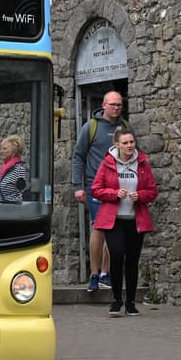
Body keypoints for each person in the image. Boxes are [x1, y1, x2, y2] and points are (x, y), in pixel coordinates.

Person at [91, 126, 157, 317]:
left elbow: (152, 191)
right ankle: (116, 300)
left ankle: (130, 303)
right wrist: (114, 193)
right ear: (117, 144)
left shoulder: (142, 163)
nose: (129, 146)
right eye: (125, 143)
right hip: (114, 220)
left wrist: (141, 195)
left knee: (132, 260)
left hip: (136, 220)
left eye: (132, 142)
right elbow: (96, 189)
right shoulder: (107, 163)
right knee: (117, 255)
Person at [73, 91, 126, 291]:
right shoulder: (91, 127)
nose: (116, 108)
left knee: (114, 229)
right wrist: (78, 187)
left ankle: (106, 273)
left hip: (119, 187)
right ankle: (94, 274)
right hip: (95, 186)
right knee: (100, 228)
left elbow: (133, 153)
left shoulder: (125, 128)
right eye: (112, 104)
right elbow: (78, 156)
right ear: (104, 105)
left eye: (119, 104)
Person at [0, 135, 29, 203]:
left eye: (4, 149)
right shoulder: (4, 171)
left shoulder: (19, 170)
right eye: (1, 149)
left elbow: (24, 194)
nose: (1, 151)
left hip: (10, 211)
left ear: (14, 152)